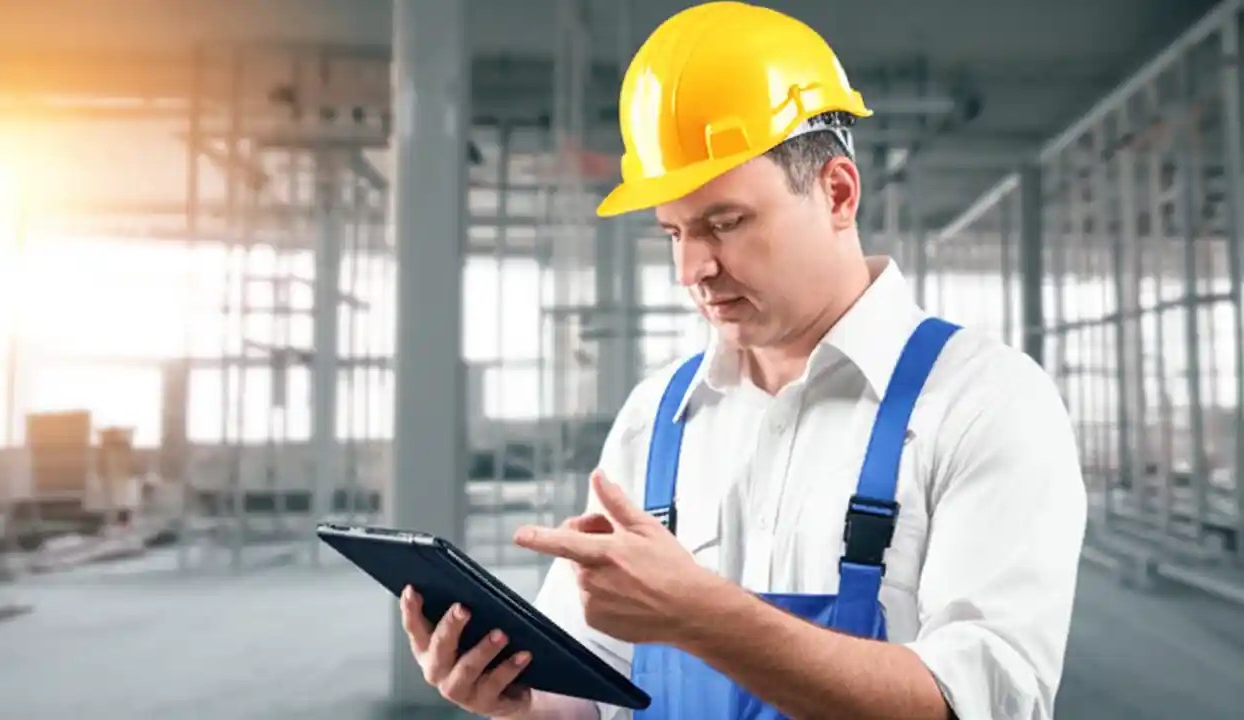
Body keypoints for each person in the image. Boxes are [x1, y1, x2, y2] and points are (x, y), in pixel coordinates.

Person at [398, 2, 1087, 718]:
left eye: (724, 223)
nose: (692, 267)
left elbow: (983, 702)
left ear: (838, 193)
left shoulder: (984, 402)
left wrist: (703, 616)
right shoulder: (657, 417)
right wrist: (518, 698)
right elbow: (596, 690)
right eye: (673, 233)